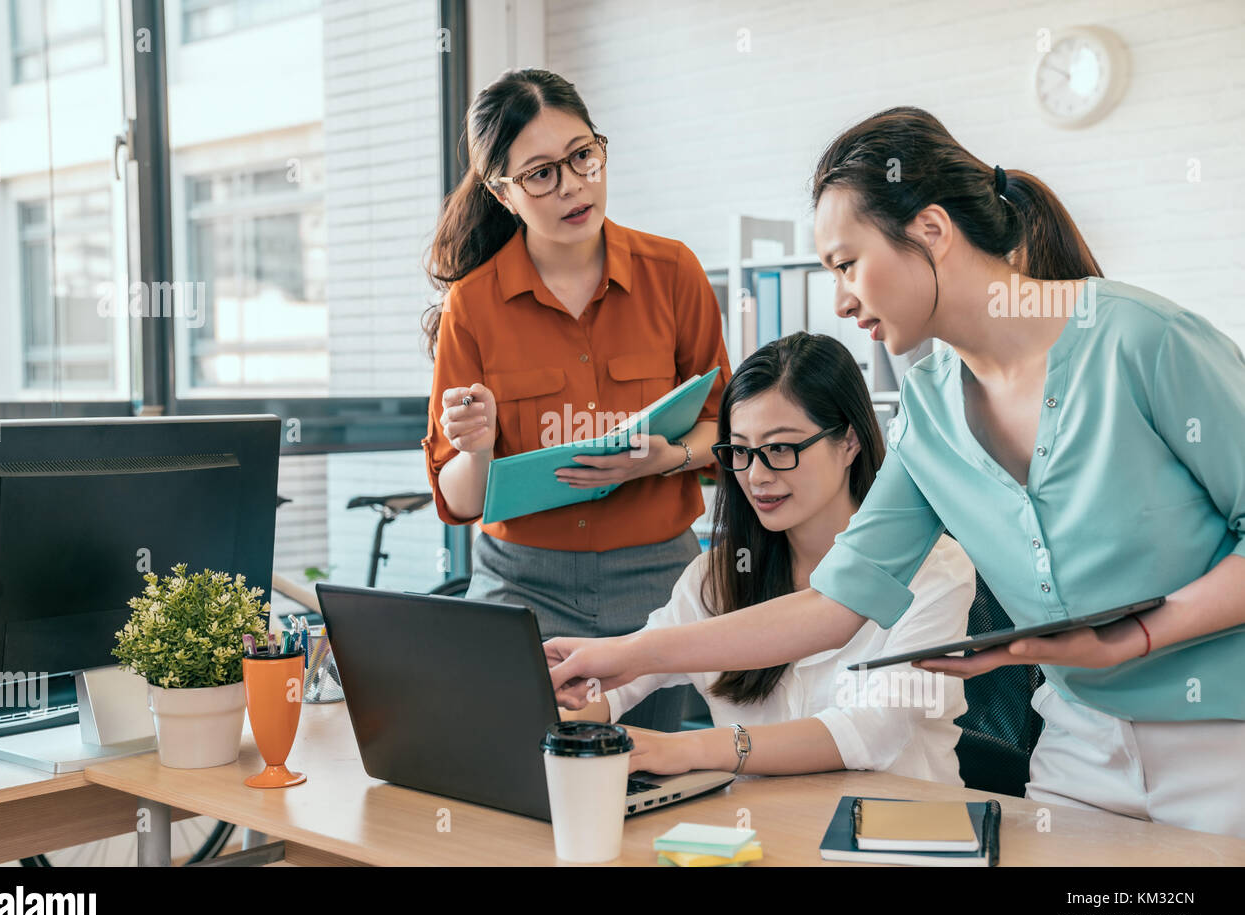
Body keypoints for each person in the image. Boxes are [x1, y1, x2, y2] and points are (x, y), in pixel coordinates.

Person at [547, 106, 1245, 837]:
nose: (842, 298)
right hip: (1078, 745)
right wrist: (627, 654)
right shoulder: (930, 409)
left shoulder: (1142, 341)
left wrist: (1132, 637)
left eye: (847, 263)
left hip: (1221, 733)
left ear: (932, 231)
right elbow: (836, 604)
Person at [421, 69, 732, 731]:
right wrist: (477, 450)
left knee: (646, 782)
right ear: (502, 192)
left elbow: (726, 429)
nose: (573, 186)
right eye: (540, 173)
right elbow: (461, 498)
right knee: (521, 788)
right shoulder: (471, 307)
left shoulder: (673, 272)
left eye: (582, 156)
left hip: (658, 583)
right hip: (523, 588)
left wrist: (666, 458)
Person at [561, 332, 974, 783]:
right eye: (740, 451)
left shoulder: (935, 569)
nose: (756, 475)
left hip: (894, 835)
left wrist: (690, 748)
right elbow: (623, 681)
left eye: (780, 448)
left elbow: (873, 730)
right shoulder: (717, 575)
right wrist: (563, 697)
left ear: (850, 441)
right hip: (757, 838)